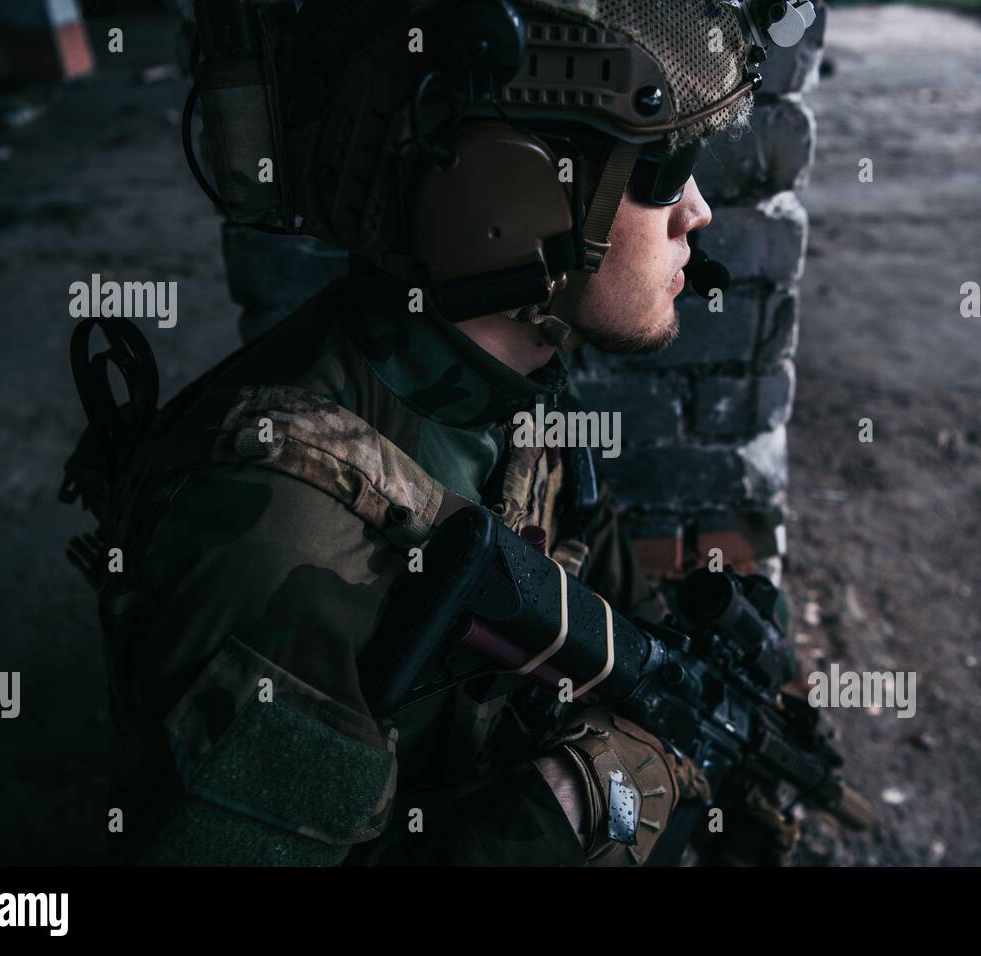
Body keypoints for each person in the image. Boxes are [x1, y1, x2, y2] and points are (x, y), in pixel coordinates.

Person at [63, 0, 814, 866]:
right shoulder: (277, 534)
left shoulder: (512, 373)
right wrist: (574, 800)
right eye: (663, 171)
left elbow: (583, 574)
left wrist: (680, 670)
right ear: (507, 198)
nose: (699, 212)